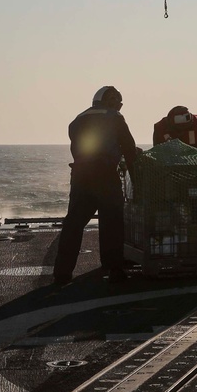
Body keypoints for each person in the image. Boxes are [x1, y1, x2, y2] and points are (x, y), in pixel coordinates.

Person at [53, 85, 140, 287]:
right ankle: (114, 269)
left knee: (73, 224)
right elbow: (129, 150)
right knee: (112, 222)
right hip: (105, 175)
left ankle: (62, 273)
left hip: (80, 175)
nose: (119, 106)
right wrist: (136, 182)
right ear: (112, 102)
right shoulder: (116, 118)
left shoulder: (78, 119)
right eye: (118, 102)